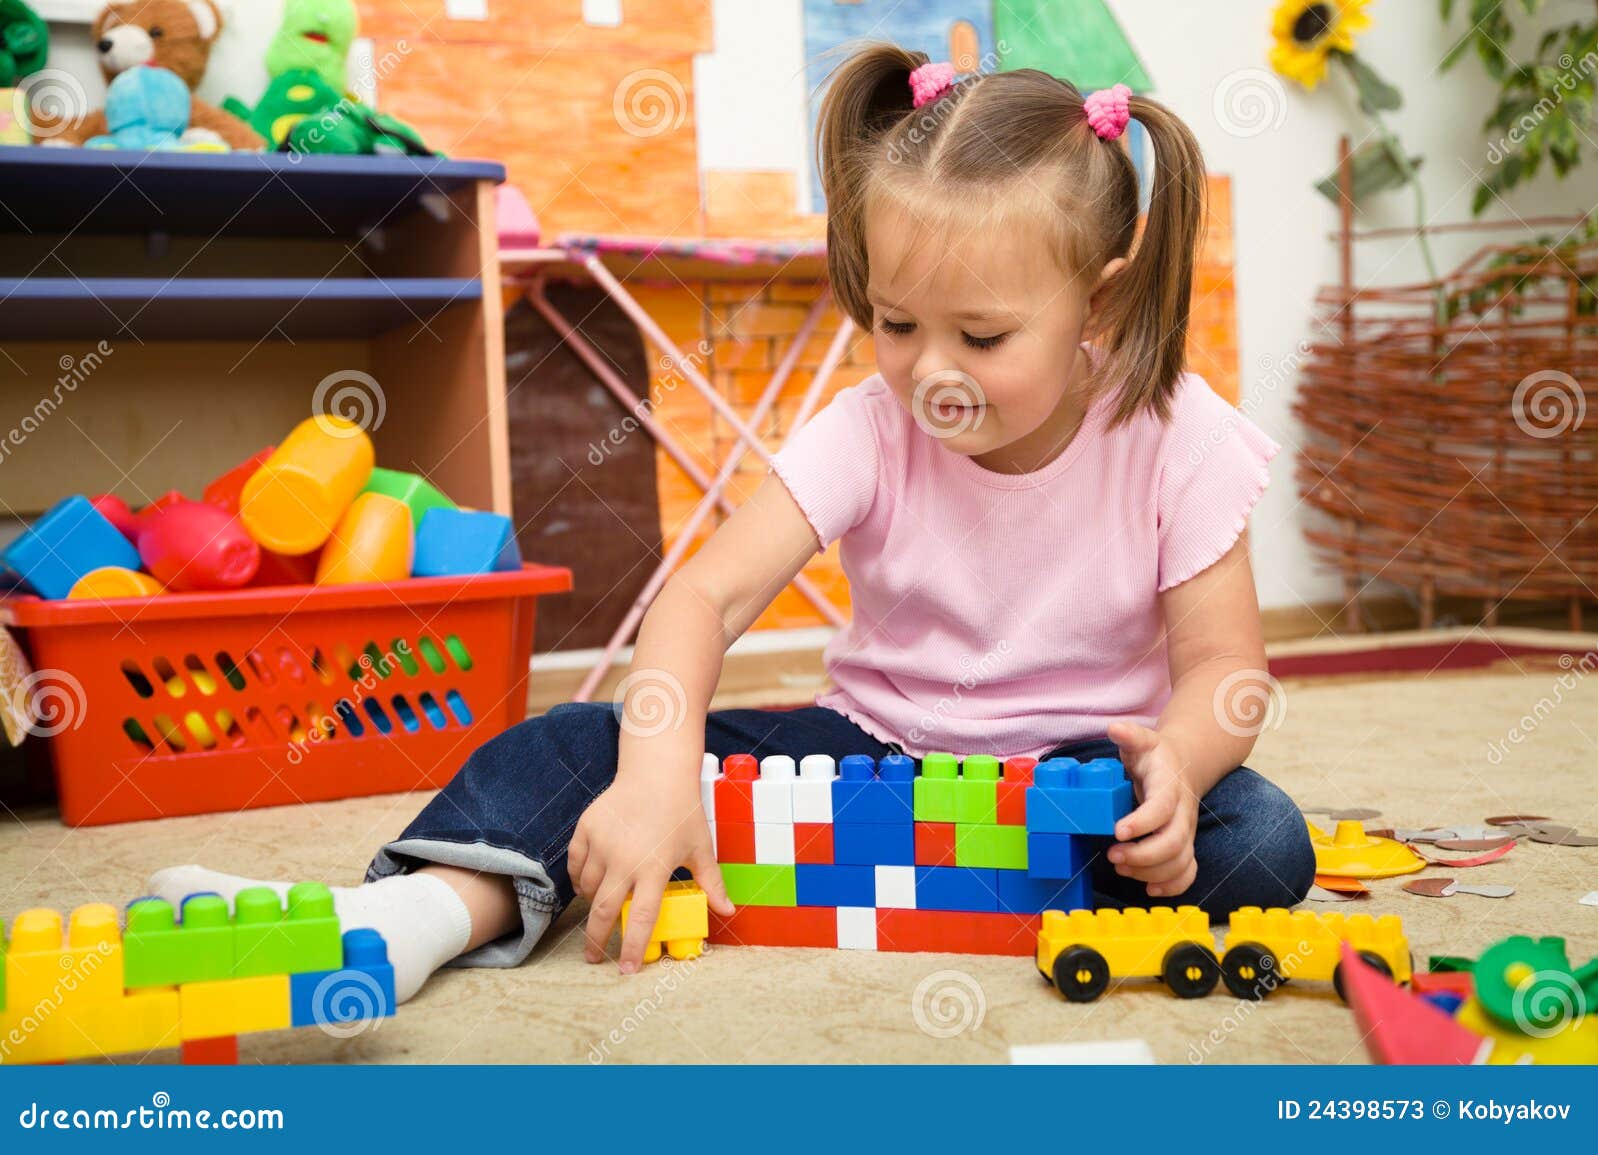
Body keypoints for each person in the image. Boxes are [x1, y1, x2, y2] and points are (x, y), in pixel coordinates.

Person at [150, 44, 1314, 1002]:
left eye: (984, 337)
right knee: (585, 745)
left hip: (1068, 790)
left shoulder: (1179, 436)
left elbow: (1224, 667)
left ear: (1099, 298)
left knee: (1257, 838)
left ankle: (1014, 878)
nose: (929, 372)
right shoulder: (867, 427)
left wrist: (1177, 766)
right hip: (872, 762)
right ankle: (412, 919)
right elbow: (701, 599)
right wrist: (661, 774)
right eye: (896, 323)